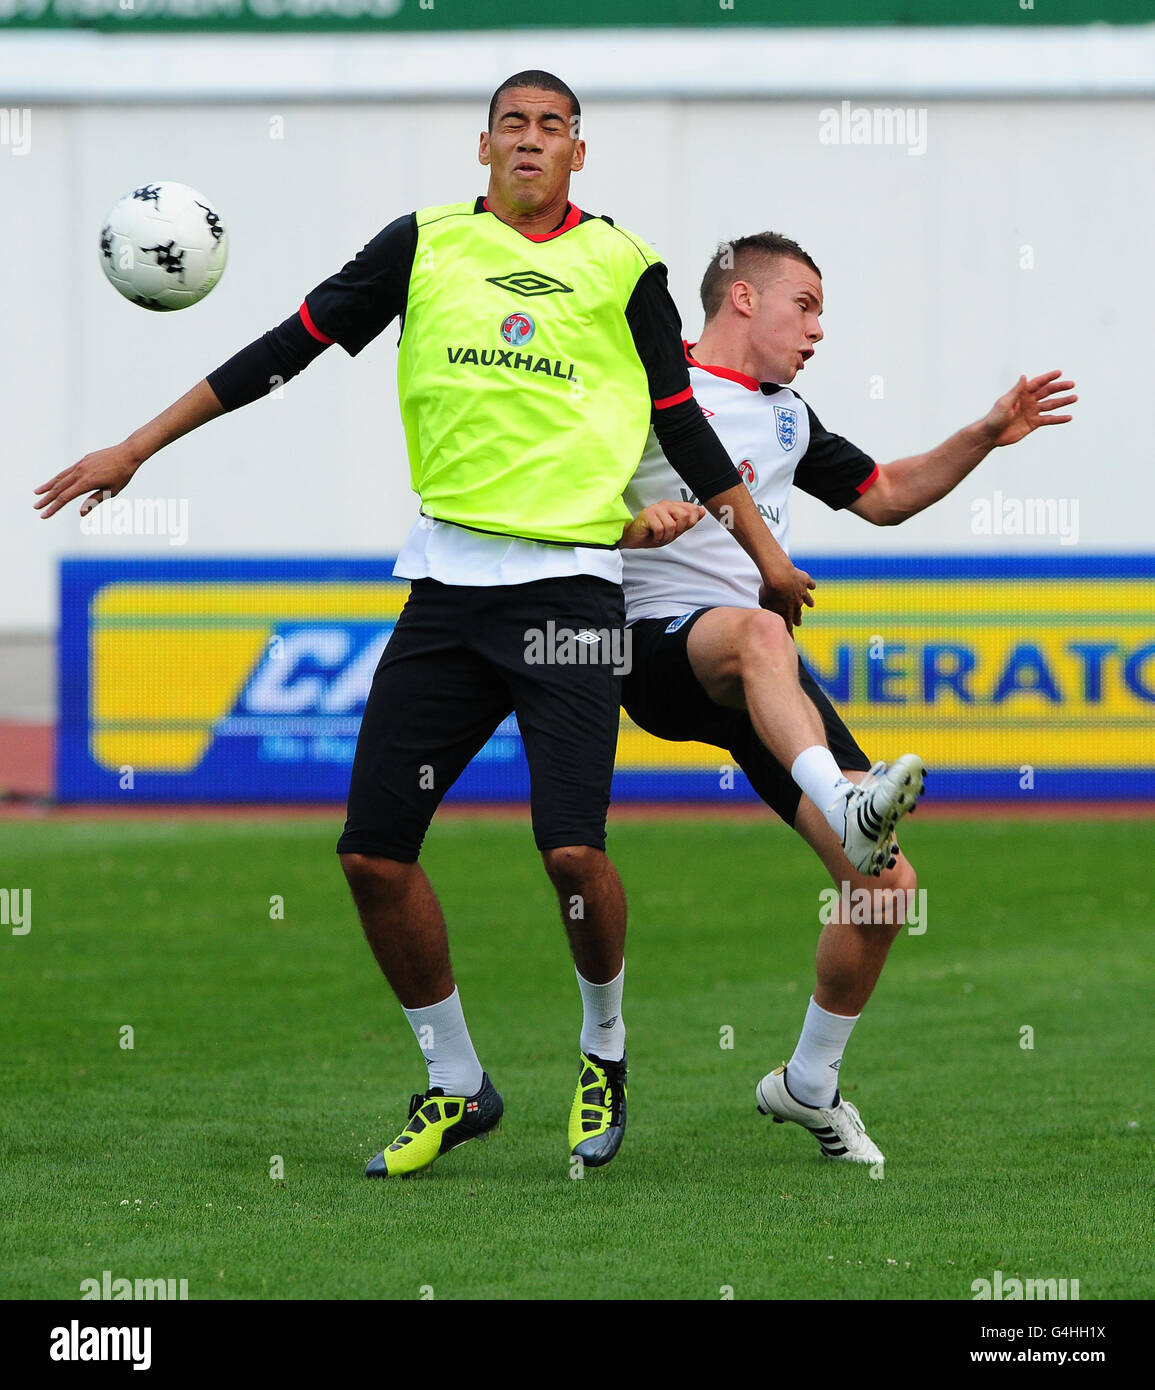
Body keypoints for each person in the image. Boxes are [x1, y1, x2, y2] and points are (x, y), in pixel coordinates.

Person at [34, 75, 824, 1179]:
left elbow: (680, 419)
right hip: (449, 591)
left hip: (576, 594)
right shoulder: (423, 245)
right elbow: (284, 347)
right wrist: (137, 446)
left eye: (554, 127)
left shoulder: (623, 266)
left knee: (572, 851)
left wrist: (766, 555)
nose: (533, 141)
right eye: (515, 124)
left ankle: (604, 1046)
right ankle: (457, 1079)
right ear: (485, 144)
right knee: (370, 855)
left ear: (578, 155)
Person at [621, 231, 1076, 1163]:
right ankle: (846, 799)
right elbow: (556, 500)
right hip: (654, 646)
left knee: (885, 891)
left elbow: (885, 495)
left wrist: (986, 432)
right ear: (742, 298)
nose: (819, 330)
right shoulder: (644, 387)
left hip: (757, 677)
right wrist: (631, 529)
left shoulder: (787, 416)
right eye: (808, 306)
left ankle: (807, 1083)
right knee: (758, 627)